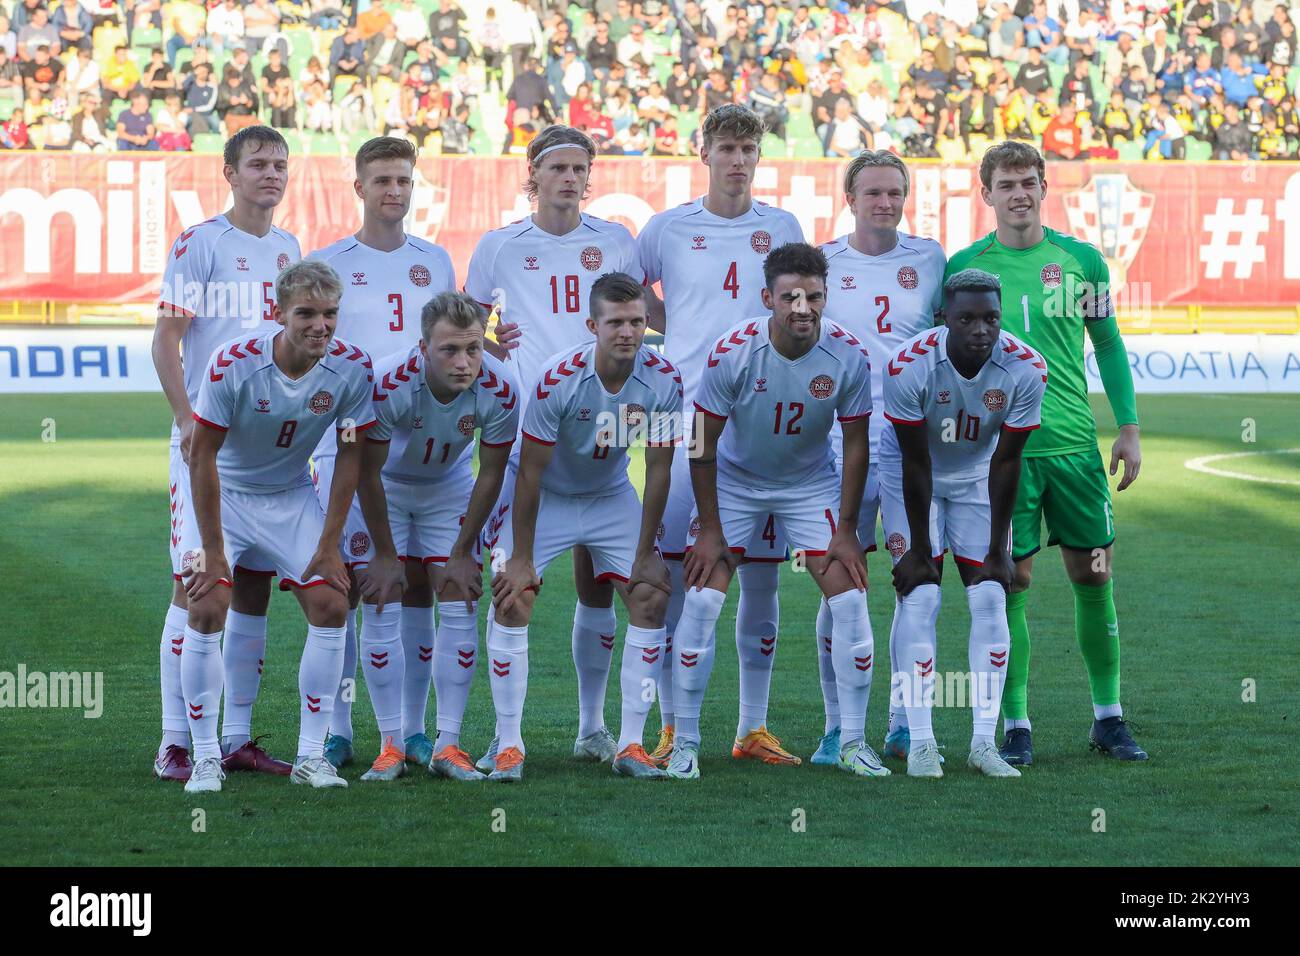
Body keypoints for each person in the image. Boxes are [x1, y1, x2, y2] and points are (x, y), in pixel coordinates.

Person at [945, 141, 1146, 767]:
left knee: (1094, 575)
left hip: (1072, 448)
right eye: (1007, 185)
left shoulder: (1082, 261)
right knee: (1012, 581)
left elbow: (1107, 344)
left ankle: (1108, 719)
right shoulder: (965, 269)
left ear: (1044, 188)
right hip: (1002, 453)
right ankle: (1016, 724)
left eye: (1030, 182)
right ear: (987, 195)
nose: (1020, 194)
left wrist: (1129, 426)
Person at [465, 125, 644, 771]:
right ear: (532, 177)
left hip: (602, 443)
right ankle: (506, 738)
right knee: (515, 593)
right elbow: (466, 329)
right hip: (528, 446)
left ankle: (596, 729)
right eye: (557, 168)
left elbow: (636, 320)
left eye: (580, 168)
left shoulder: (617, 241)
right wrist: (492, 347)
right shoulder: (500, 246)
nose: (570, 178)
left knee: (608, 588)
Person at [666, 242, 877, 780]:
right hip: (735, 483)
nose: (802, 308)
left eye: (814, 296)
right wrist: (710, 529)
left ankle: (853, 741)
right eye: (790, 297)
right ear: (768, 298)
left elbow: (855, 444)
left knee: (850, 601)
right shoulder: (732, 352)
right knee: (702, 602)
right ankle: (686, 742)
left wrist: (848, 529)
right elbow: (700, 444)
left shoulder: (848, 353)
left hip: (808, 485)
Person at [636, 103, 804, 768]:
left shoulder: (782, 226)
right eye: (727, 147)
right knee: (681, 576)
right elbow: (629, 291)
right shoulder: (668, 228)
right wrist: (669, 323)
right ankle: (675, 727)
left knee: (761, 578)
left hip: (761, 426)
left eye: (748, 148)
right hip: (686, 423)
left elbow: (799, 304)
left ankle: (752, 729)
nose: (737, 159)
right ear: (702, 150)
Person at [181, 259, 378, 792]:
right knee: (206, 605)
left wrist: (331, 544)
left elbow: (352, 454)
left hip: (291, 494)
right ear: (277, 313)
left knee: (332, 602)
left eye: (330, 313)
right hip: (222, 491)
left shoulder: (353, 369)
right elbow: (202, 457)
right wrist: (216, 550)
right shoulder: (233, 363)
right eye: (306, 313)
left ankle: (312, 756)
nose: (320, 325)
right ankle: (204, 756)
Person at [150, 126, 301, 783]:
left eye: (280, 165)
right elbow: (167, 338)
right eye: (258, 164)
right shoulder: (202, 241)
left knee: (254, 589)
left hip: (269, 452)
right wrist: (186, 419)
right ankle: (175, 741)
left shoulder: (291, 249)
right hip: (208, 447)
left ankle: (237, 737)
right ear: (230, 174)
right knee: (196, 585)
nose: (271, 174)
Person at [489, 273, 682, 781]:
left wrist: (645, 553)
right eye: (616, 322)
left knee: (650, 595)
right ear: (592, 324)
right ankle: (507, 744)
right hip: (545, 495)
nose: (628, 332)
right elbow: (530, 472)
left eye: (637, 321)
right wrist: (523, 559)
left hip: (608, 493)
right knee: (515, 595)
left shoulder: (665, 377)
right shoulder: (558, 378)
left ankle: (629, 743)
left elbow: (660, 468)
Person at [308, 136, 458, 771]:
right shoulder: (328, 261)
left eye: (403, 180)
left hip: (426, 455)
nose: (394, 191)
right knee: (349, 590)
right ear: (359, 188)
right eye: (382, 181)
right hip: (342, 451)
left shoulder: (437, 261)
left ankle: (413, 730)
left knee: (418, 586)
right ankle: (341, 729)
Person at [882, 268, 1047, 779]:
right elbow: (914, 462)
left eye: (991, 318)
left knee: (992, 596)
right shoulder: (908, 367)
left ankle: (983, 743)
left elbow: (1007, 461)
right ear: (942, 319)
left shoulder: (1026, 368)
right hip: (913, 474)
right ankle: (922, 742)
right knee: (922, 595)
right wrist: (916, 548)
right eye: (968, 318)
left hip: (979, 474)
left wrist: (1000, 548)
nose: (981, 329)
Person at [349, 292, 518, 781]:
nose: (464, 362)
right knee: (382, 595)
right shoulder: (389, 383)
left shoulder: (501, 387)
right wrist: (384, 554)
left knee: (460, 594)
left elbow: (492, 472)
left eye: (472, 348)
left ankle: (448, 744)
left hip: (448, 487)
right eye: (449, 350)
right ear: (423, 346)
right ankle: (389, 745)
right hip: (386, 489)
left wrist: (465, 551)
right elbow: (367, 470)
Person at [817, 150, 946, 765]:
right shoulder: (823, 263)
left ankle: (902, 720)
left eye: (895, 192)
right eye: (873, 193)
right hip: (837, 441)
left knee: (915, 579)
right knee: (838, 586)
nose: (885, 203)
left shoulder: (929, 258)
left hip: (906, 443)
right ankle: (837, 727)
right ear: (850, 198)